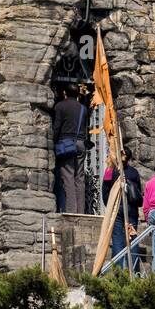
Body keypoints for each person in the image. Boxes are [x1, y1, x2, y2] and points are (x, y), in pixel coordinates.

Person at [104, 147, 142, 271]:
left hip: (117, 209)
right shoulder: (134, 172)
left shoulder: (110, 170)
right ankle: (135, 272)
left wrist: (109, 206)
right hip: (132, 209)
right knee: (133, 241)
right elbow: (138, 192)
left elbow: (105, 191)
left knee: (118, 241)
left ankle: (119, 273)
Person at [53, 84, 89, 214]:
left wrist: (53, 143)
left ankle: (71, 211)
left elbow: (57, 127)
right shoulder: (83, 109)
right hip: (80, 144)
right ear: (78, 94)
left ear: (64, 92)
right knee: (79, 178)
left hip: (66, 145)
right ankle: (81, 210)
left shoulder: (60, 106)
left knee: (68, 177)